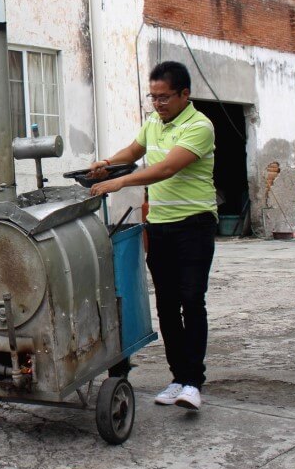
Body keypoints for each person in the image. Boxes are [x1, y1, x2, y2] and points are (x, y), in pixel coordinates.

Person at [87, 60, 217, 411]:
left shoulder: (200, 126)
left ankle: (193, 382)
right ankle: (177, 379)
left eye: (165, 97)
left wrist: (120, 180)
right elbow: (133, 152)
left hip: (194, 224)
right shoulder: (153, 124)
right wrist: (106, 163)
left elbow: (167, 167)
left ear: (185, 94)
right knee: (167, 305)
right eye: (153, 97)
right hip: (160, 226)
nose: (158, 103)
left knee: (192, 300)